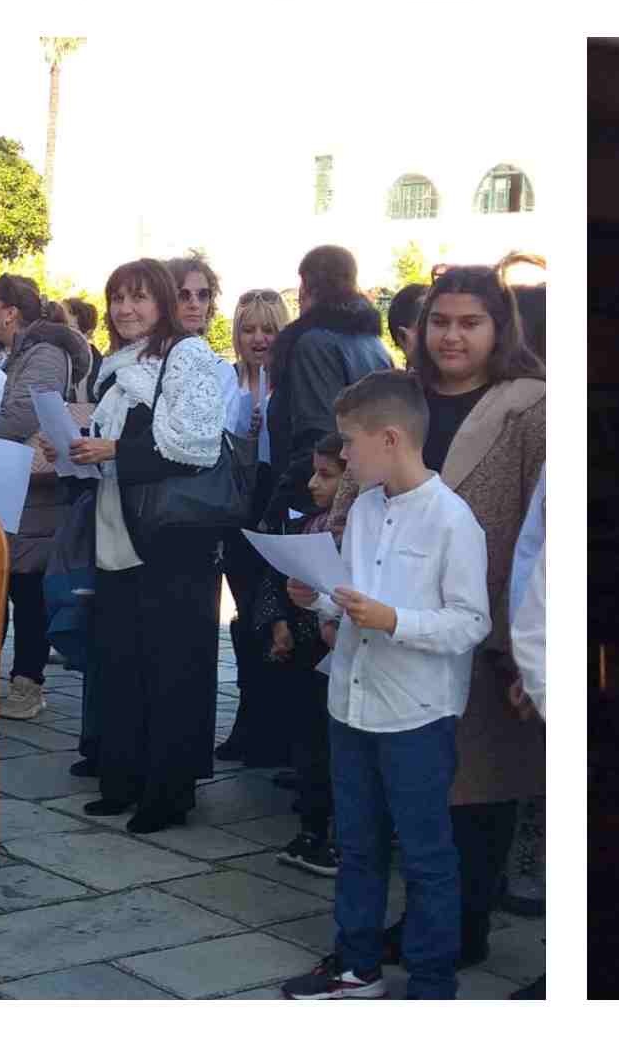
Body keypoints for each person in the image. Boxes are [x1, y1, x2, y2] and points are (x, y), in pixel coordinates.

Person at [275, 368, 495, 1001]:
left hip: (416, 713)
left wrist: (395, 621)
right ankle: (356, 965)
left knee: (426, 855)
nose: (343, 456)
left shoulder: (453, 520)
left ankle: (431, 982)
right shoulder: (366, 508)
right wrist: (316, 597)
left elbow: (470, 622)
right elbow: (353, 597)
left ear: (391, 438)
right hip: (352, 699)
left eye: (351, 441)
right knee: (359, 842)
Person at [406, 268, 547, 972]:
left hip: (485, 626)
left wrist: (528, 638)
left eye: (469, 321)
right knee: (413, 779)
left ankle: (465, 923)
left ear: (499, 329)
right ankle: (424, 913)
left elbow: (541, 526)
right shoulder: (403, 400)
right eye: (441, 320)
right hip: (397, 621)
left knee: (476, 786)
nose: (452, 335)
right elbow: (352, 485)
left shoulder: (529, 406)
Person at [72, 257, 231, 834]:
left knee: (172, 667)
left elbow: (195, 448)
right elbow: (113, 441)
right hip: (119, 532)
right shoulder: (115, 366)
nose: (126, 309)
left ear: (162, 302)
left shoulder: (187, 358)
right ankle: (122, 780)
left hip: (174, 540)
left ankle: (168, 794)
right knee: (120, 661)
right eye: (118, 298)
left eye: (139, 298)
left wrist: (112, 451)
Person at [0, 273, 91, 719]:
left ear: (11, 311)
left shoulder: (47, 351)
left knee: (25, 587)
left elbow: (27, 409)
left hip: (31, 490)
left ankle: (27, 681)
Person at [251, 429, 351, 875]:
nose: (313, 484)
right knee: (308, 742)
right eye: (313, 472)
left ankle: (330, 834)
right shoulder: (304, 522)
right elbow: (276, 580)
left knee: (332, 750)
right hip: (304, 650)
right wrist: (277, 624)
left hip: (338, 653)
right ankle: (310, 828)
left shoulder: (354, 533)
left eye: (326, 475)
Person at [264, 245, 395, 527]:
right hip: (367, 496)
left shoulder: (313, 344)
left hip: (324, 506)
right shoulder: (374, 345)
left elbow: (318, 436)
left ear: (307, 286)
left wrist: (282, 505)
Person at [219, 287, 294, 764]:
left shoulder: (291, 383)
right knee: (246, 617)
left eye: (269, 329)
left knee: (277, 618)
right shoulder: (227, 381)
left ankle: (277, 727)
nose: (259, 338)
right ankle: (249, 720)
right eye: (249, 329)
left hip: (277, 506)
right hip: (234, 509)